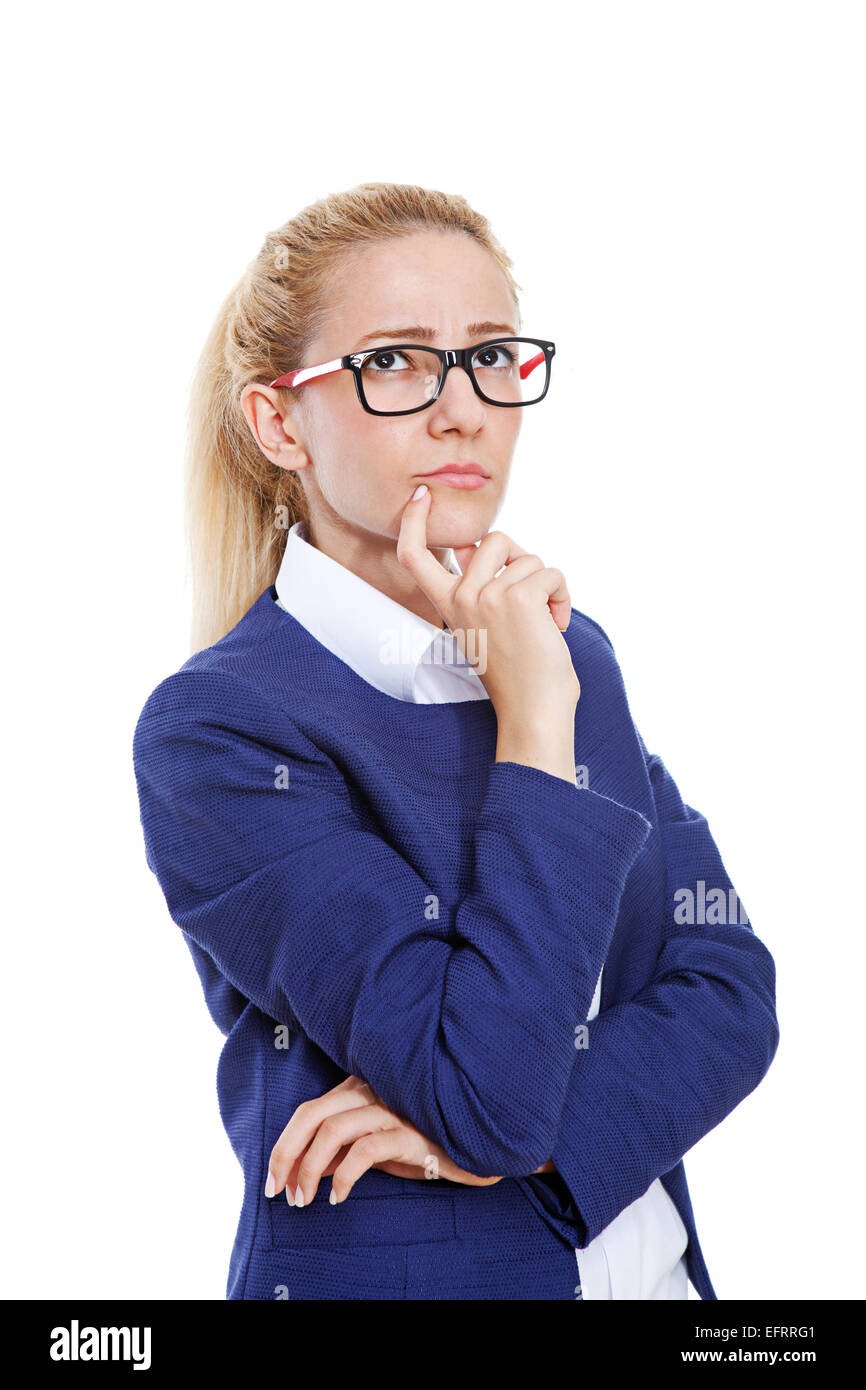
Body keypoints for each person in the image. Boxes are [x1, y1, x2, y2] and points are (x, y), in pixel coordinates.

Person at [132, 181, 779, 1301]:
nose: (461, 408)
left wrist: (514, 1135)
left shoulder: (568, 653)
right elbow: (487, 1084)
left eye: (488, 356)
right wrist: (532, 726)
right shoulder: (221, 731)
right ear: (280, 421)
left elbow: (728, 986)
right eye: (394, 362)